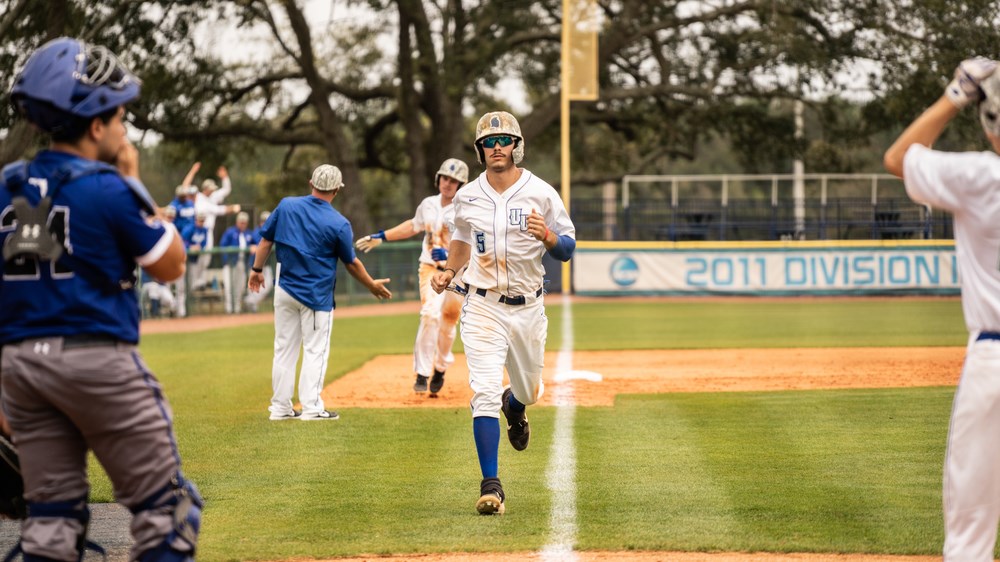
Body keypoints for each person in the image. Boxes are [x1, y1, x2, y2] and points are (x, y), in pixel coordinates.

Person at [0, 37, 201, 560]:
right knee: (170, 512)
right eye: (119, 118)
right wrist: (133, 180)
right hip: (96, 363)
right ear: (95, 126)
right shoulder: (108, 186)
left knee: (52, 522)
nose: (123, 129)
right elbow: (170, 264)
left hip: (20, 370)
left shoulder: (7, 186)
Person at [430, 111, 576, 515]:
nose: (496, 147)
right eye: (488, 142)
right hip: (482, 305)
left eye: (504, 140)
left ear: (516, 146)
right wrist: (449, 271)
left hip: (528, 307)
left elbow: (567, 248)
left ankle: (516, 405)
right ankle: (491, 486)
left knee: (529, 391)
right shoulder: (468, 196)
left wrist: (548, 235)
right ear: (480, 150)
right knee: (483, 392)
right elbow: (461, 238)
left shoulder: (541, 192)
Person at [884, 56, 1000, 561]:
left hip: (994, 360)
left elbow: (900, 157)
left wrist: (959, 93)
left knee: (971, 531)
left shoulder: (981, 176)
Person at [248, 164, 392, 421]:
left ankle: (280, 408)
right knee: (315, 351)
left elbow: (266, 240)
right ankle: (312, 408)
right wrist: (371, 285)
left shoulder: (286, 206)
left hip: (284, 289)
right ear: (336, 190)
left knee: (283, 349)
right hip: (315, 295)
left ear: (311, 183)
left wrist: (256, 269)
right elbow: (351, 263)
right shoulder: (339, 223)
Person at [355, 158, 470, 395]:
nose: (448, 183)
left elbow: (473, 243)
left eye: (454, 180)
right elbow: (413, 225)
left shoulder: (465, 208)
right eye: (445, 178)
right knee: (429, 314)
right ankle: (422, 372)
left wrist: (449, 254)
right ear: (438, 178)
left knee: (448, 322)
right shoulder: (428, 204)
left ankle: (440, 368)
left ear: (461, 185)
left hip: (457, 272)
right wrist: (382, 236)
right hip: (430, 268)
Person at [191, 165, 239, 290]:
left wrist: (225, 177)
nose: (212, 191)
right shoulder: (199, 199)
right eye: (211, 189)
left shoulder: (213, 196)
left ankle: (199, 281)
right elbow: (215, 209)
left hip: (209, 231)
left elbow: (226, 190)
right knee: (197, 257)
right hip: (198, 231)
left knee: (207, 257)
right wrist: (231, 209)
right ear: (205, 189)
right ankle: (194, 281)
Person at [219, 211, 254, 314]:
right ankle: (229, 308)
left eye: (244, 222)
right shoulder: (230, 232)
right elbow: (222, 246)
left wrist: (253, 246)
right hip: (230, 263)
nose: (242, 224)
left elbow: (256, 243)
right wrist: (226, 261)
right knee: (229, 286)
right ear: (237, 222)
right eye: (241, 222)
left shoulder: (249, 233)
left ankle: (237, 307)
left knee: (240, 286)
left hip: (242, 263)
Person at [244, 210, 273, 312]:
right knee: (253, 285)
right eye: (264, 221)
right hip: (255, 264)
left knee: (268, 285)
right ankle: (251, 305)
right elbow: (254, 244)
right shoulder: (257, 232)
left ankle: (250, 301)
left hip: (267, 264)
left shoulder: (272, 231)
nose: (265, 223)